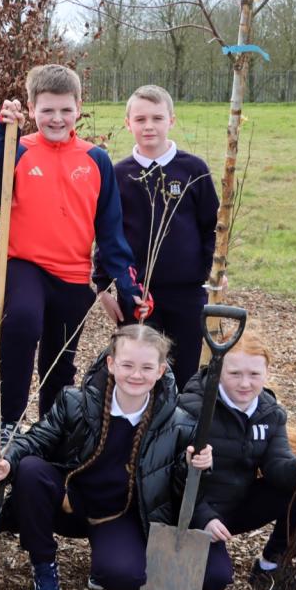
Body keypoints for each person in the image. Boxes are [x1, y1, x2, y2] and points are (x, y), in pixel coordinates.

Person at [0, 324, 209, 590]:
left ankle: (105, 560)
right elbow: (36, 439)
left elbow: (178, 487)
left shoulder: (178, 423)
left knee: (124, 576)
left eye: (146, 367)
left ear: (160, 371)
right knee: (30, 469)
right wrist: (8, 460)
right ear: (111, 364)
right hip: (67, 503)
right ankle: (44, 567)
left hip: (116, 515)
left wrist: (196, 466)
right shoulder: (75, 402)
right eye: (127, 365)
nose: (136, 374)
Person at [0, 65, 150, 437]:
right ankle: (10, 424)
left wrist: (126, 282)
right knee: (21, 323)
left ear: (78, 108)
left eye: (66, 110)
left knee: (60, 360)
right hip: (25, 265)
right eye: (47, 110)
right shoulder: (20, 149)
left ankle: (49, 431)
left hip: (72, 274)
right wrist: (3, 139)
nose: (57, 118)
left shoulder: (96, 159)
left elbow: (110, 230)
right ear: (32, 109)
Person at [178, 326, 296, 590]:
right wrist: (203, 517)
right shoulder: (192, 407)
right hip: (192, 510)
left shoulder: (269, 413)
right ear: (218, 370)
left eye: (254, 374)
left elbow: (277, 469)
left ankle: (271, 567)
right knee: (212, 581)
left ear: (266, 373)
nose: (245, 384)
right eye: (235, 374)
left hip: (236, 505)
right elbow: (170, 478)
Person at [95, 85, 219, 390]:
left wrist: (216, 271)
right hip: (138, 294)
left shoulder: (194, 170)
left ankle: (181, 419)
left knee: (186, 370)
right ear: (128, 124)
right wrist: (102, 287)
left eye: (157, 118)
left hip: (188, 292)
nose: (148, 126)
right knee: (138, 370)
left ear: (171, 120)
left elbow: (212, 227)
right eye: (140, 119)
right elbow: (107, 233)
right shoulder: (119, 174)